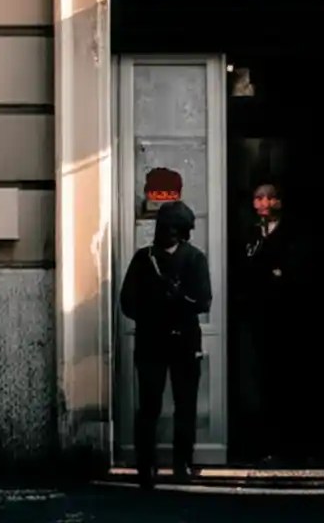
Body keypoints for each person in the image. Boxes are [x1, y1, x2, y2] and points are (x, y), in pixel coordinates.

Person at [119, 201, 212, 490]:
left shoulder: (195, 259)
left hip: (183, 340)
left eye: (172, 228)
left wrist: (178, 298)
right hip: (152, 341)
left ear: (182, 231)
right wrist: (154, 309)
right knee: (149, 406)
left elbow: (203, 301)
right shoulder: (143, 258)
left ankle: (182, 463)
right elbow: (127, 303)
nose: (165, 233)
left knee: (185, 405)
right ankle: (146, 466)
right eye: (163, 227)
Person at [237, 182, 306, 464]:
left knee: (284, 379)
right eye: (258, 198)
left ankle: (286, 442)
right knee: (256, 380)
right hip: (255, 315)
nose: (263, 203)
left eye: (269, 198)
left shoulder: (291, 232)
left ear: (279, 201)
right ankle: (258, 442)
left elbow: (296, 269)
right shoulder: (248, 232)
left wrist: (280, 274)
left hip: (285, 316)